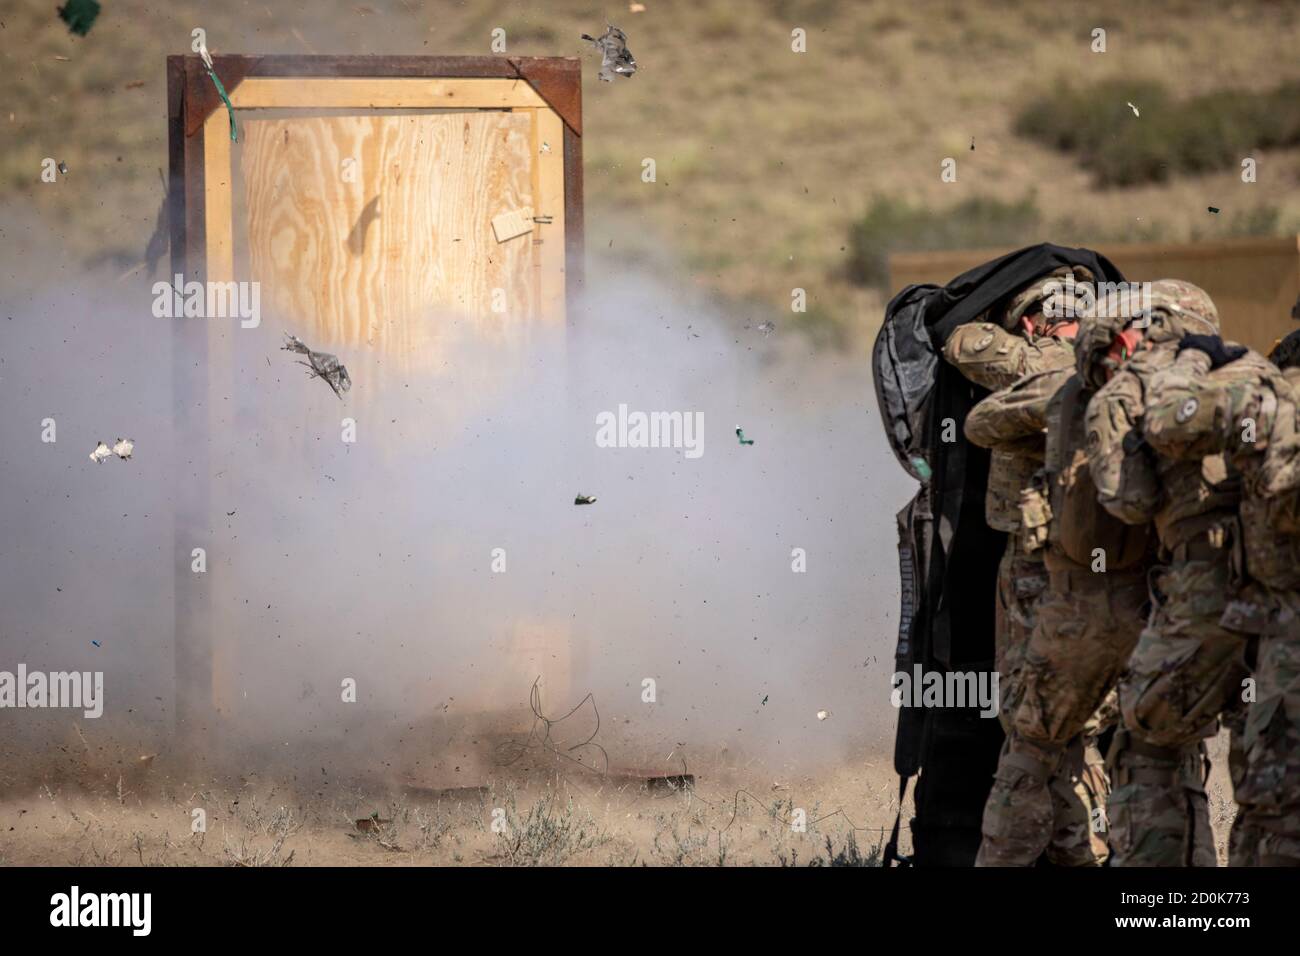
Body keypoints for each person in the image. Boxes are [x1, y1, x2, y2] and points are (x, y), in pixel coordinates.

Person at [963, 286, 1153, 866]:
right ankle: (1090, 852)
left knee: (1036, 730)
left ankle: (1071, 851)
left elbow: (977, 414)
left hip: (1047, 575)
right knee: (1096, 734)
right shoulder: (1162, 382)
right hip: (1139, 589)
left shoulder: (1051, 374)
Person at [1082, 280, 1249, 865]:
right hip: (1276, 602)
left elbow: (1127, 503)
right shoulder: (1251, 371)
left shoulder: (1133, 390)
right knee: (1266, 779)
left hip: (1201, 595)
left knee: (1148, 747)